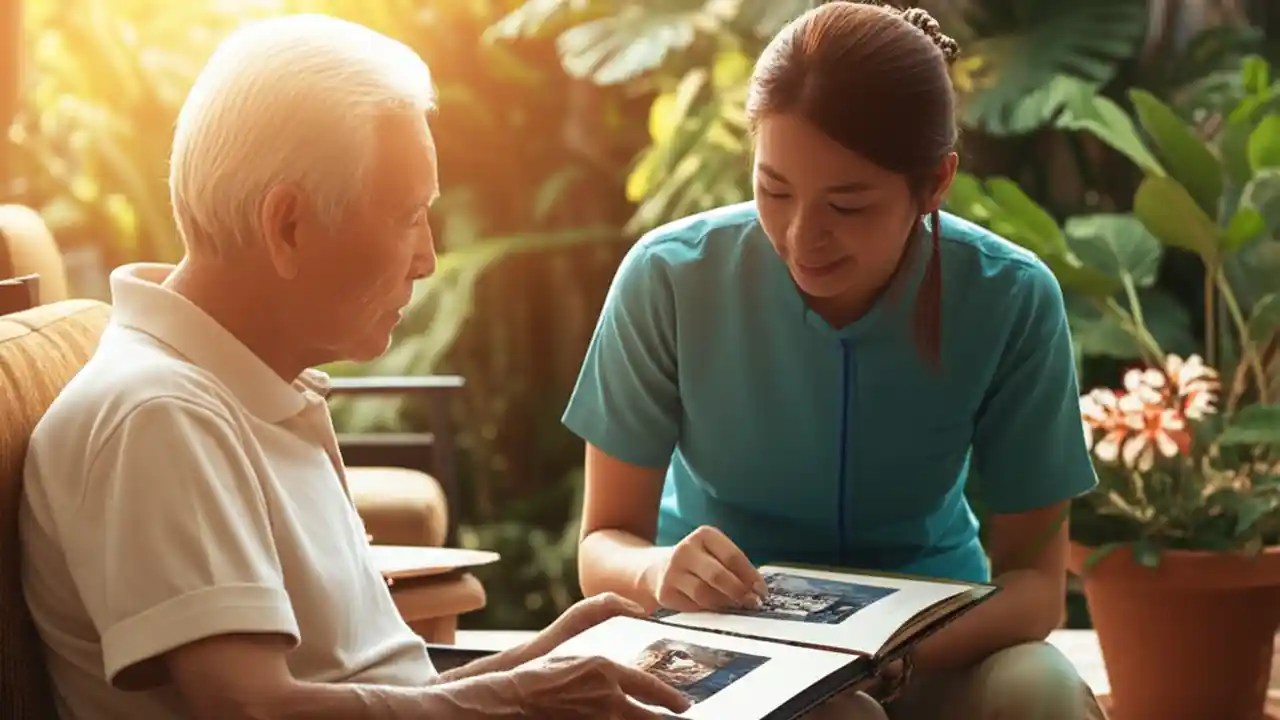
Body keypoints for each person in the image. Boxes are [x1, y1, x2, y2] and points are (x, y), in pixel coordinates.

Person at [18, 15, 691, 720]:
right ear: (287, 226)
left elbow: (372, 689)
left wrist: (539, 660)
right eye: (408, 216)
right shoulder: (157, 415)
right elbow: (251, 711)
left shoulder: (247, 390)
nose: (427, 258)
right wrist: (515, 699)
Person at [563, 3, 1106, 719]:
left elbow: (1035, 584)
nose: (801, 236)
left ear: (935, 182)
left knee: (1042, 695)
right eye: (774, 189)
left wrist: (896, 659)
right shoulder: (668, 277)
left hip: (936, 644)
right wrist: (662, 568)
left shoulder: (1010, 296)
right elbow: (603, 542)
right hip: (727, 648)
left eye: (848, 205)